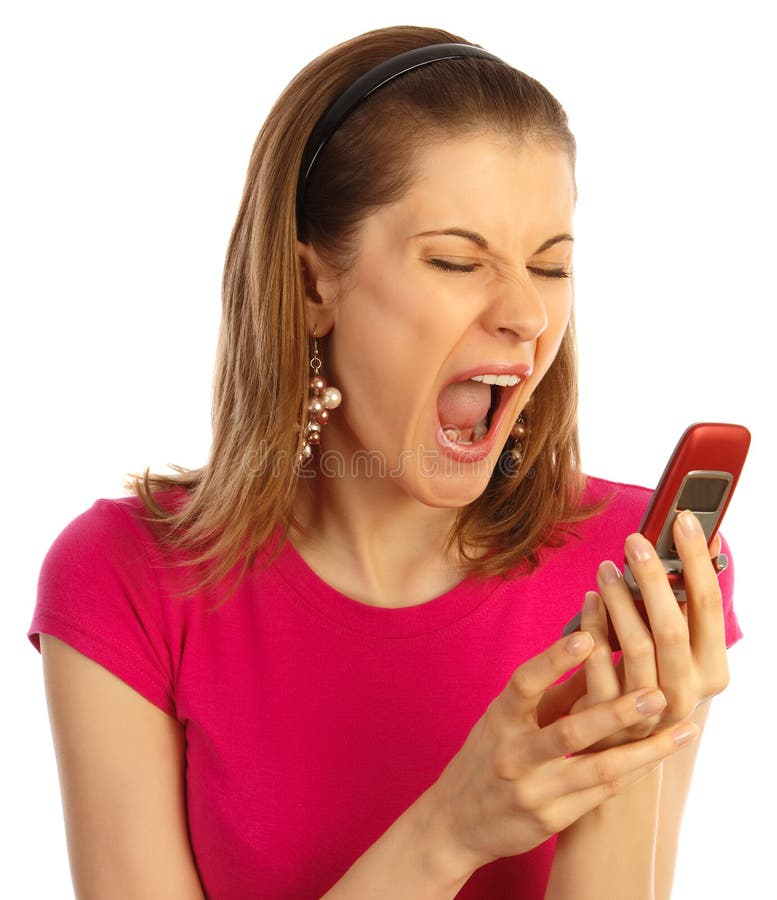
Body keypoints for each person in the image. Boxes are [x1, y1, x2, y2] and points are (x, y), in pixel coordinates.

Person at [27, 24, 741, 900]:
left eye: (549, 267)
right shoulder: (125, 580)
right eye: (455, 259)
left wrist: (629, 754)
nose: (525, 313)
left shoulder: (630, 568)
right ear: (311, 286)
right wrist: (450, 832)